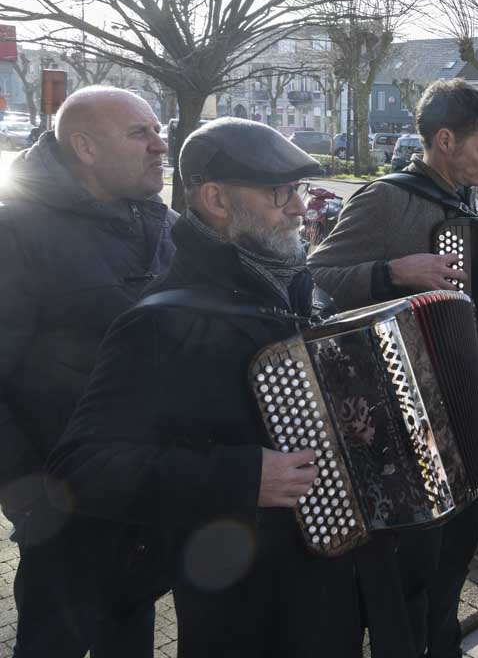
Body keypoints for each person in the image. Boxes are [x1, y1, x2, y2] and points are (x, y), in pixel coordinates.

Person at [48, 119, 418, 657]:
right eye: (279, 192)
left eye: (296, 191)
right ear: (216, 198)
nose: (299, 207)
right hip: (248, 606)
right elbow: (81, 469)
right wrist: (242, 475)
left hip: (347, 580)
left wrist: (400, 418)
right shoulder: (159, 322)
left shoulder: (300, 286)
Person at [308, 78, 478, 657]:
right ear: (445, 139)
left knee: (453, 560)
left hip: (459, 406)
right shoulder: (386, 199)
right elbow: (314, 277)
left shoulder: (470, 201)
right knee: (408, 579)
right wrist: (393, 272)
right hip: (400, 413)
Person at [0, 87, 175, 658]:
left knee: (130, 639)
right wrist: (27, 496)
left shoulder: (163, 222)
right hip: (62, 512)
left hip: (145, 496)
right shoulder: (16, 231)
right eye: (139, 133)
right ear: (86, 148)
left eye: (157, 128)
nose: (160, 144)